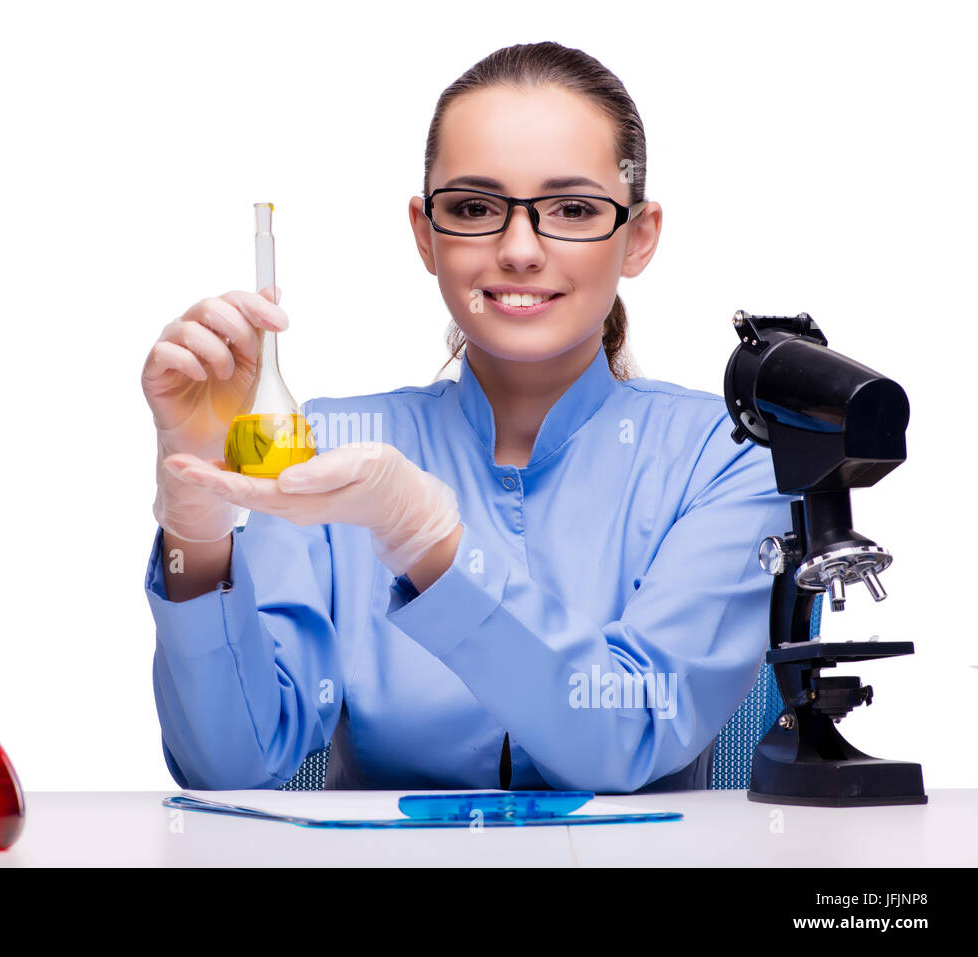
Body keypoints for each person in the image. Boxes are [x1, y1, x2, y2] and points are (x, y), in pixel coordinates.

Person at [141, 41, 795, 792]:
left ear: (638, 236)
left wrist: (431, 545)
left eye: (573, 209)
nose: (519, 250)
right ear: (426, 232)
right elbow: (229, 765)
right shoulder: (326, 452)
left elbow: (626, 735)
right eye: (476, 208)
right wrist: (198, 525)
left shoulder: (727, 453)